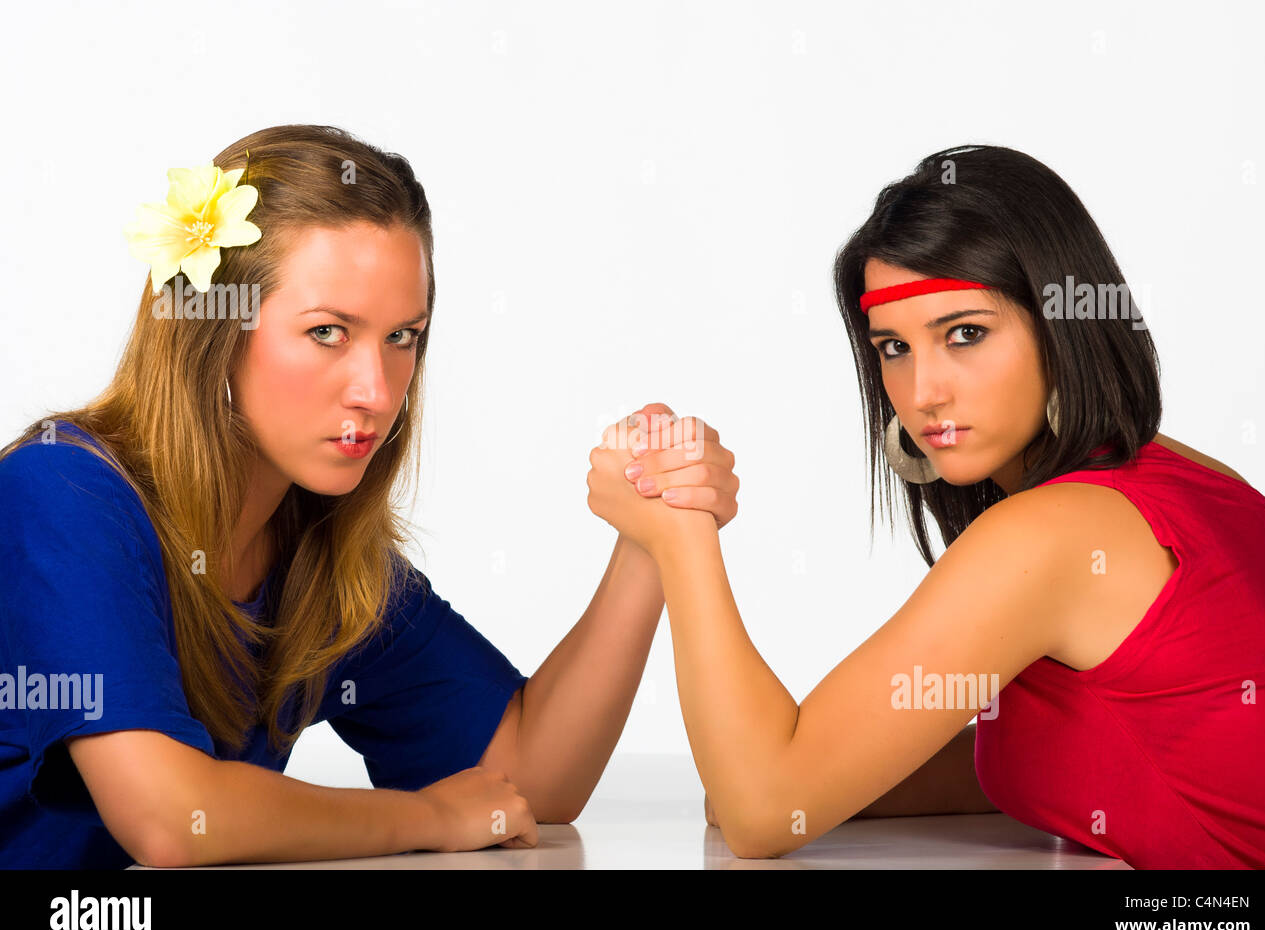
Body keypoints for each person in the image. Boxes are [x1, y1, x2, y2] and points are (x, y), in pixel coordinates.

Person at [0, 123, 738, 869]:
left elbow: (525, 780)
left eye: (403, 337)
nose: (376, 391)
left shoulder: (320, 554)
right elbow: (169, 819)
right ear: (210, 333)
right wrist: (421, 818)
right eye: (327, 332)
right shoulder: (59, 493)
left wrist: (655, 532)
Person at [587, 144, 1265, 868]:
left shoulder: (1054, 533)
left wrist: (679, 530)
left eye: (966, 335)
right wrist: (796, 769)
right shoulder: (1197, 478)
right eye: (893, 346)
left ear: (1063, 326)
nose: (924, 391)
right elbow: (1109, 746)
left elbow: (761, 813)